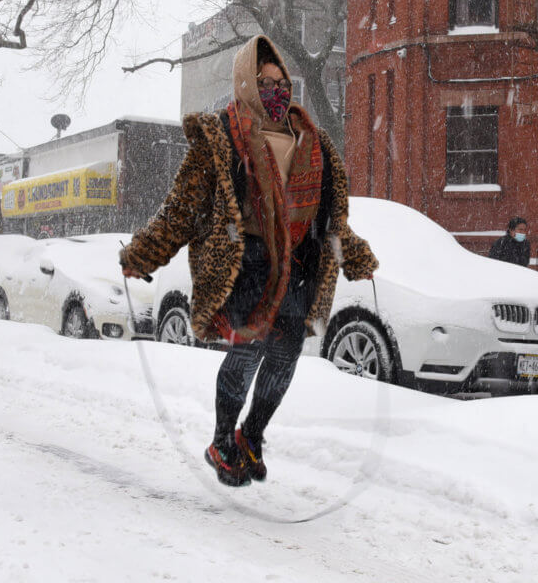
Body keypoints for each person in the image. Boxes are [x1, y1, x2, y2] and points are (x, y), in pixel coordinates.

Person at [120, 35, 377, 487]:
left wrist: (353, 254)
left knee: (286, 353)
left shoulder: (311, 139)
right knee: (249, 350)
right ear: (245, 84)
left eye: (281, 82)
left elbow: (331, 214)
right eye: (265, 82)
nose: (276, 91)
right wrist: (143, 254)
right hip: (248, 260)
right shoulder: (220, 137)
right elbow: (182, 208)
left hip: (298, 263)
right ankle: (221, 441)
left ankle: (251, 437)